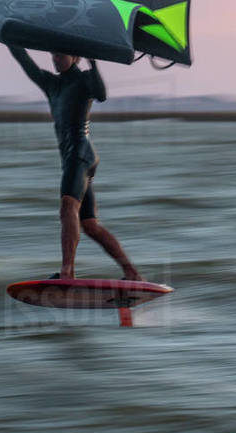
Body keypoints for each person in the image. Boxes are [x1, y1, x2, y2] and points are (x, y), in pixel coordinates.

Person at [8, 46, 143, 282]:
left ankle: (67, 272)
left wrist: (93, 64)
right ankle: (132, 273)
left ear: (76, 57)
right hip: (73, 158)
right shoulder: (50, 83)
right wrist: (7, 36)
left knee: (67, 207)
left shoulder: (84, 80)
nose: (55, 59)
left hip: (80, 154)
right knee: (90, 225)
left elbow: (101, 95)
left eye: (60, 55)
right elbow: (23, 58)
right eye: (53, 55)